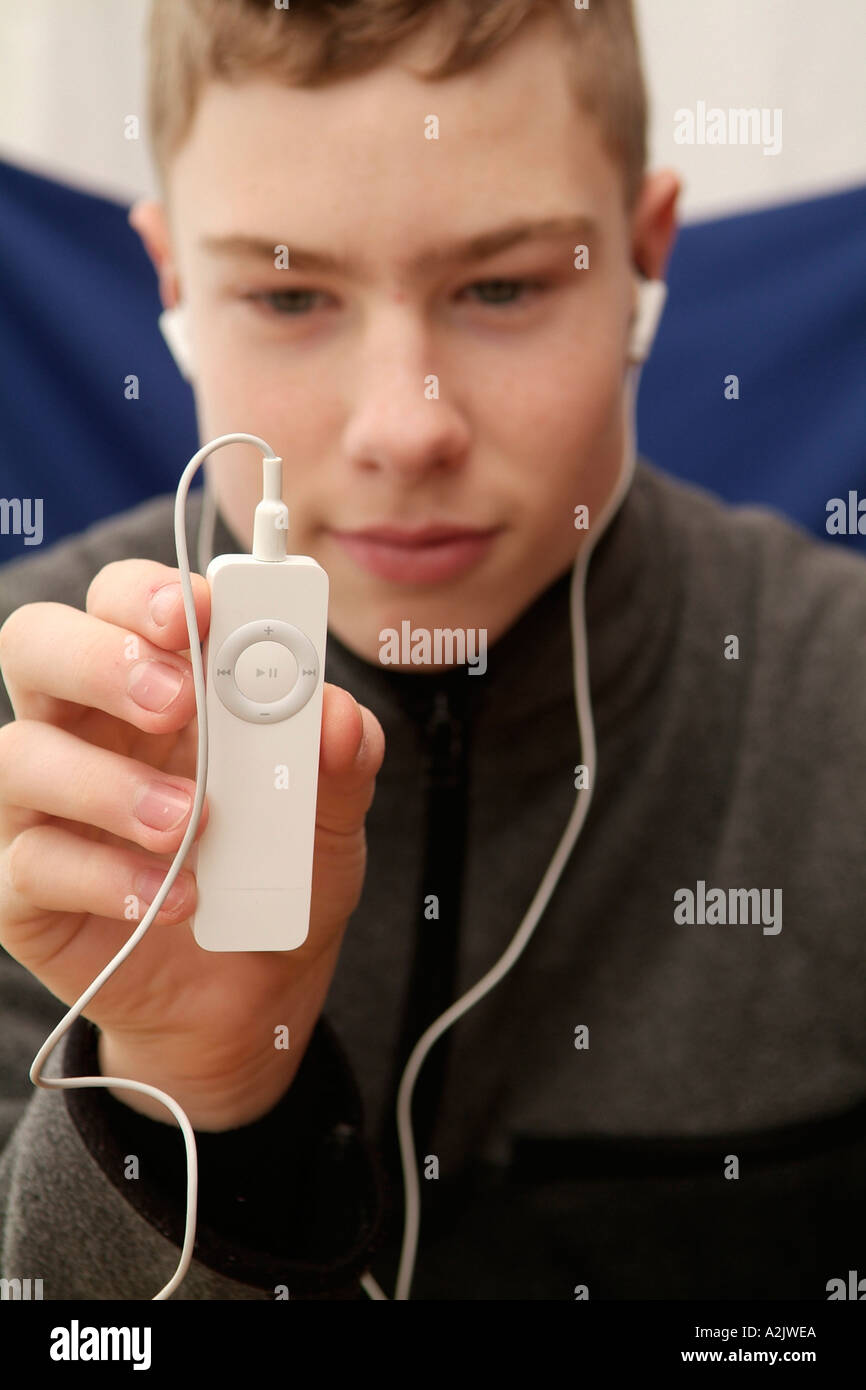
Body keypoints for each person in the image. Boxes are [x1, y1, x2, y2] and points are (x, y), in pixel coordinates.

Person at [1, 0, 865, 1302]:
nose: (405, 429)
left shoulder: (837, 696)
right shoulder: (41, 750)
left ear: (642, 258)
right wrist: (183, 1096)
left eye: (502, 285)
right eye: (289, 293)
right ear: (175, 287)